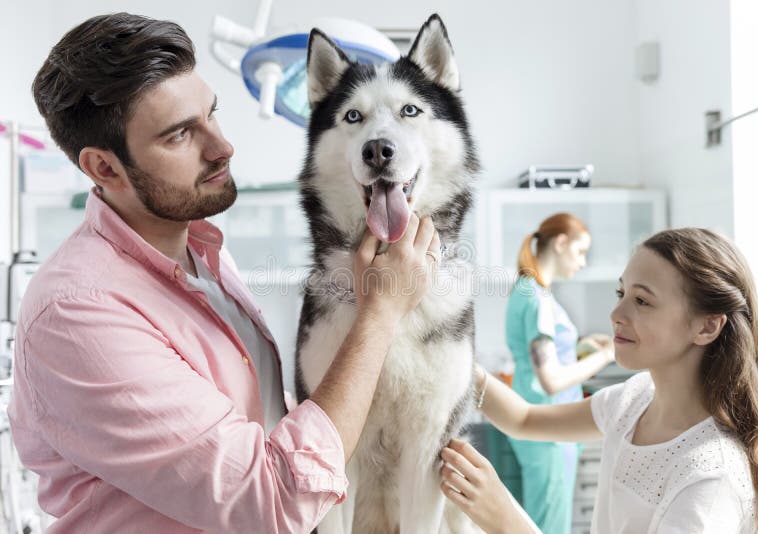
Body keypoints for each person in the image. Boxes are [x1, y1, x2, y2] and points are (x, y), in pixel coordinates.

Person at [7, 13, 441, 533]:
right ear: (105, 169)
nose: (222, 147)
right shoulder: (78, 312)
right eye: (179, 135)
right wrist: (381, 314)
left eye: (211, 113)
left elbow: (254, 428)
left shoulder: (206, 257)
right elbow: (273, 501)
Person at [441, 228, 758, 534]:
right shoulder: (635, 399)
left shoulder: (710, 478)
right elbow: (524, 420)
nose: (616, 314)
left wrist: (506, 519)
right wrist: (450, 361)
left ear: (706, 326)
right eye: (621, 293)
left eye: (642, 301)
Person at [502, 212, 614, 533]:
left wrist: (579, 347)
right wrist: (605, 355)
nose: (582, 261)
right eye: (580, 251)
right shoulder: (537, 298)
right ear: (561, 243)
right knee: (548, 527)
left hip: (543, 427)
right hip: (549, 429)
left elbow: (542, 356)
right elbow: (550, 379)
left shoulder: (528, 289)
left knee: (541, 521)